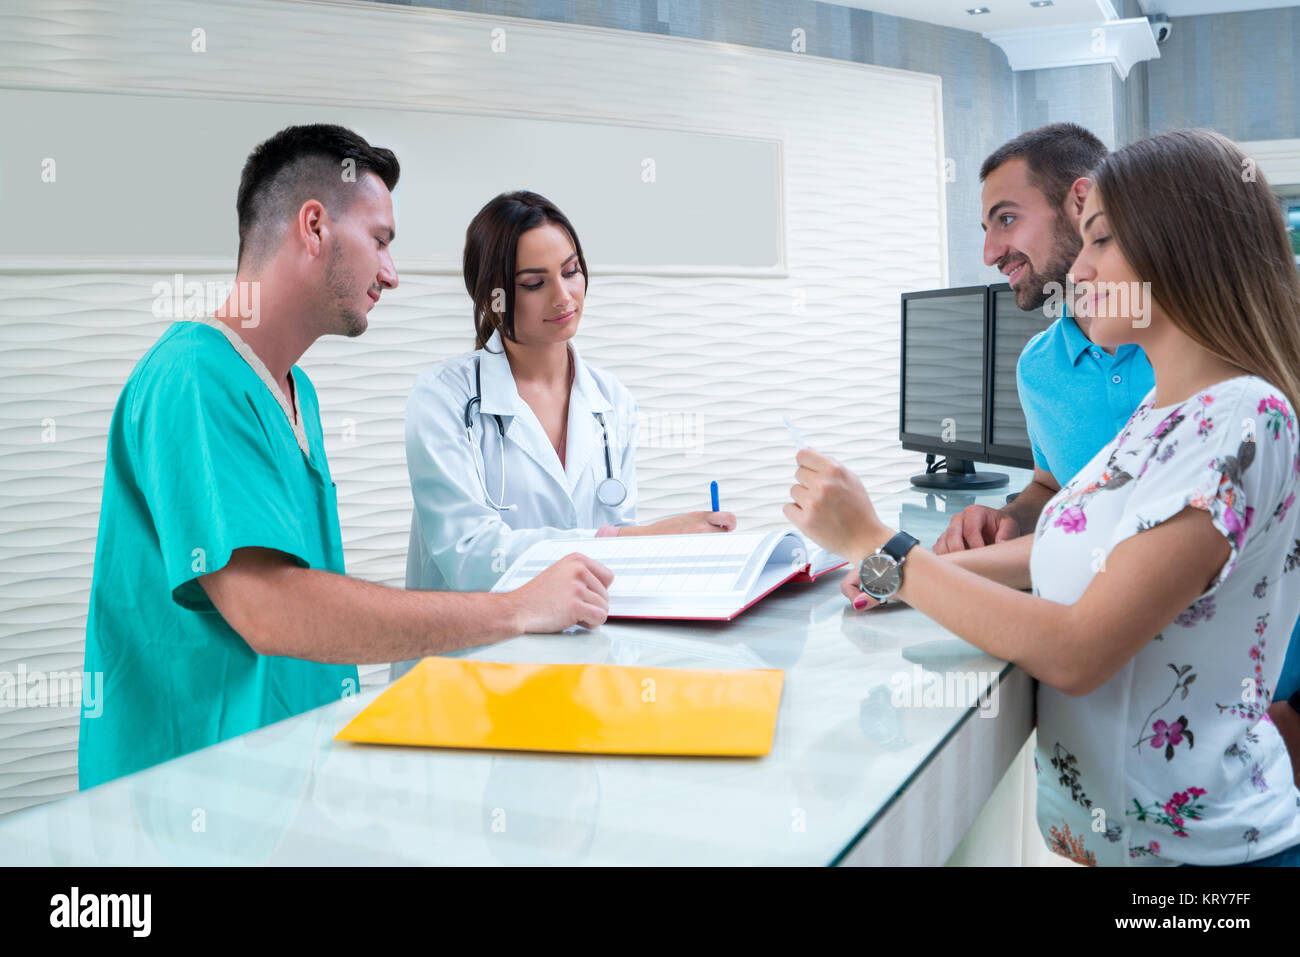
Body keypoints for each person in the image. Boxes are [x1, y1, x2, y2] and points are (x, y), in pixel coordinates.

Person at [787, 128, 1300, 866]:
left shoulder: (1242, 417)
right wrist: (907, 576)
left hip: (1209, 865)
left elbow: (1078, 650)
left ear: (1176, 246)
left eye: (1101, 240)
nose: (1081, 269)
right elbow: (1074, 548)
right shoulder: (1163, 410)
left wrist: (882, 545)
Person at [79, 126, 613, 789]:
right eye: (381, 240)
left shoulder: (294, 392)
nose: (390, 272)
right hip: (188, 793)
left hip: (285, 782)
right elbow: (271, 609)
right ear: (314, 227)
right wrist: (518, 608)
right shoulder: (192, 378)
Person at [393, 191, 736, 679]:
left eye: (571, 271)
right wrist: (633, 539)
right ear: (493, 296)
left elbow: (611, 563)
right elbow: (473, 557)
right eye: (535, 283)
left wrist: (670, 549)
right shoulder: (444, 399)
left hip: (580, 663)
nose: (563, 296)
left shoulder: (611, 401)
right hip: (467, 669)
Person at [935, 123, 1154, 553]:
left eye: (1008, 219)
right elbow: (1052, 484)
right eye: (987, 229)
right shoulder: (1038, 367)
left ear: (1082, 203)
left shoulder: (1200, 346)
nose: (990, 254)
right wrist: (1004, 520)